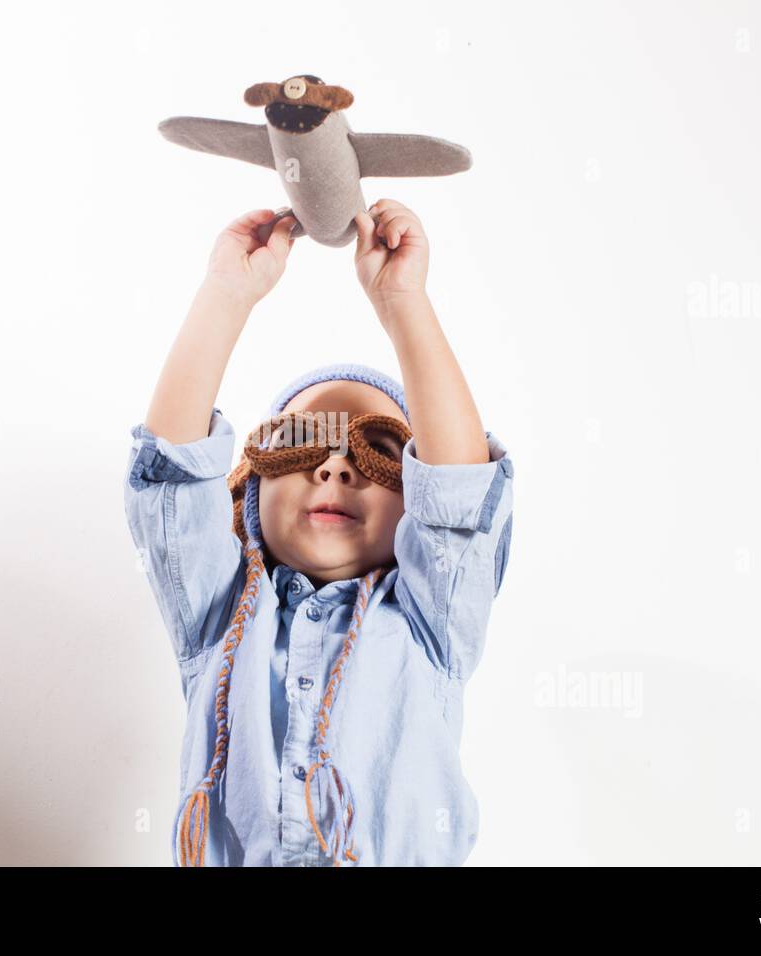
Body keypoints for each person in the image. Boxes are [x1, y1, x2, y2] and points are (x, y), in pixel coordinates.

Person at [124, 200, 514, 866]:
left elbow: (458, 491)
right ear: (247, 490)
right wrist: (226, 295)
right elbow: (172, 475)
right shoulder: (218, 615)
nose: (334, 465)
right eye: (300, 445)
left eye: (379, 451)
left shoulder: (432, 622)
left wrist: (402, 304)